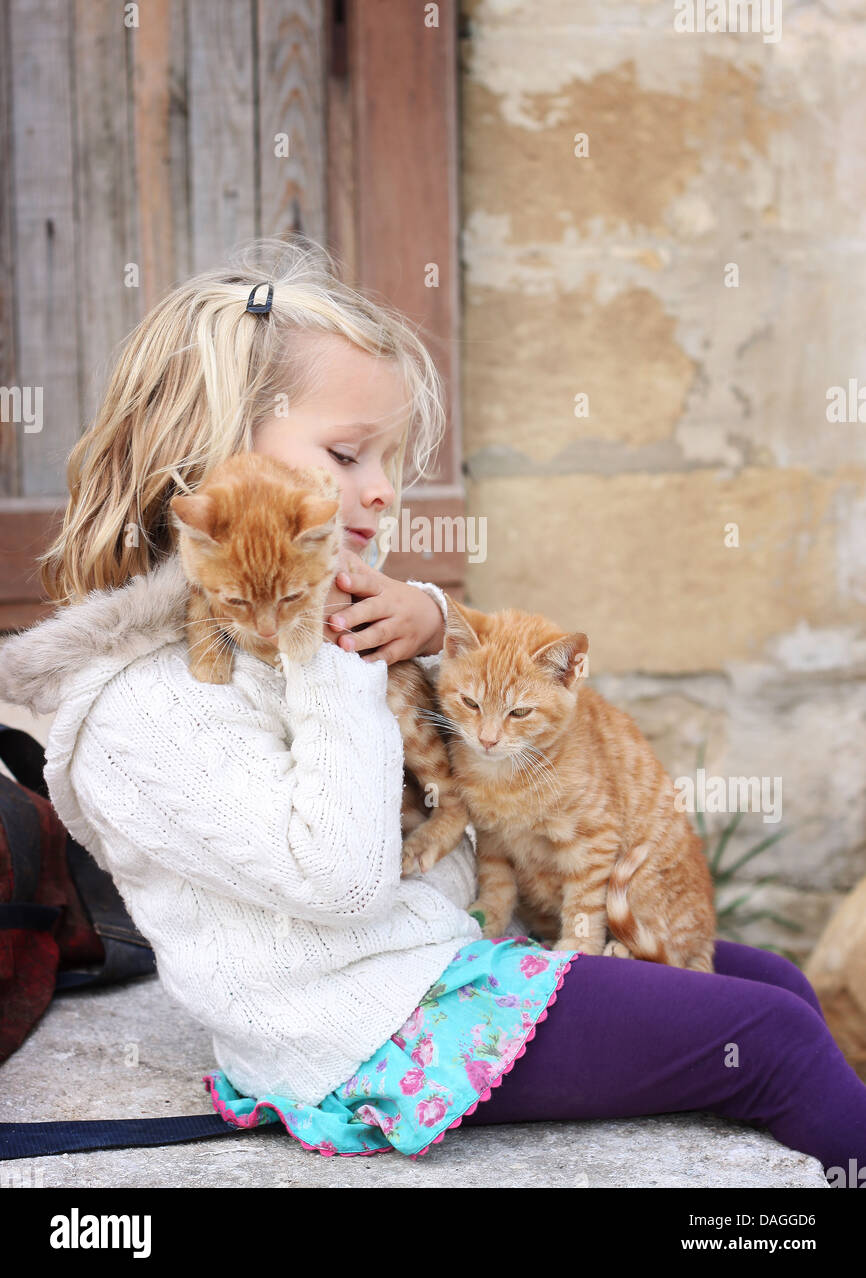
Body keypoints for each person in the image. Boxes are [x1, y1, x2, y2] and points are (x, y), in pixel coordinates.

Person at [1, 235, 864, 1178]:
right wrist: (324, 653)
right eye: (346, 453)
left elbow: (467, 672)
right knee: (769, 1038)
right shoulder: (144, 709)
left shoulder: (312, 619)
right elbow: (340, 879)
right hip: (364, 1033)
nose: (381, 490)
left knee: (776, 980)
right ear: (208, 462)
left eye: (392, 460)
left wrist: (435, 616)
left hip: (433, 964)